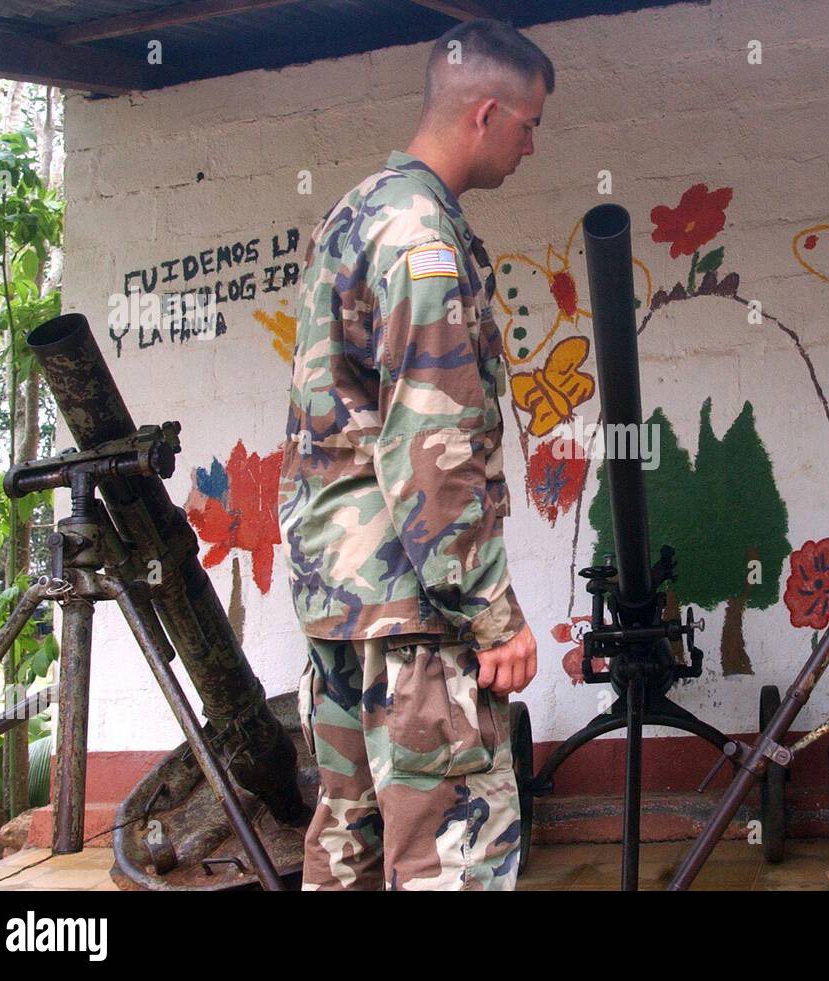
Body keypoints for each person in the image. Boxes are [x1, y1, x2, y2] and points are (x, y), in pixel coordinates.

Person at [278, 18, 551, 891]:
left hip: (339, 602)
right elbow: (426, 447)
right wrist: (492, 612)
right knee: (450, 858)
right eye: (529, 123)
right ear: (484, 113)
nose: (531, 146)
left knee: (349, 839)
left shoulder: (356, 212)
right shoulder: (424, 238)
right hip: (412, 614)